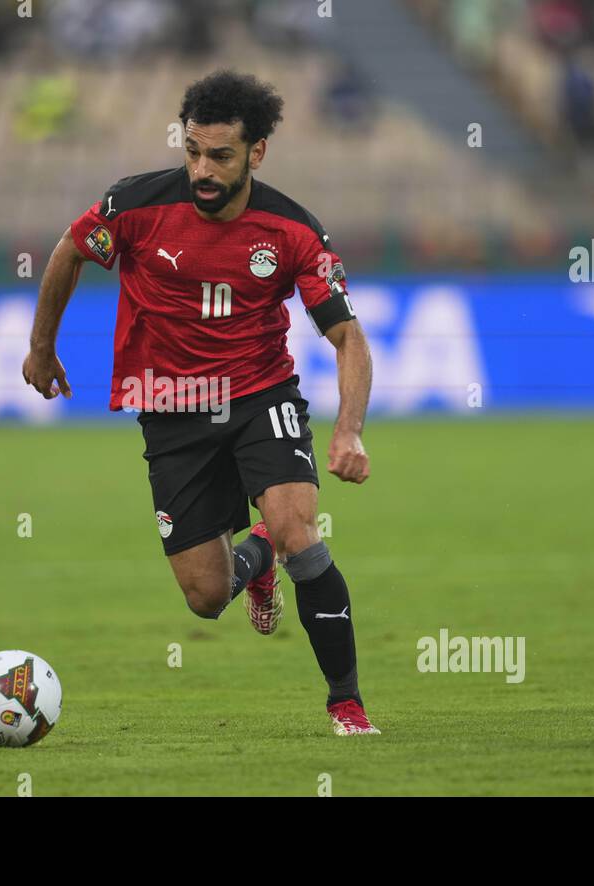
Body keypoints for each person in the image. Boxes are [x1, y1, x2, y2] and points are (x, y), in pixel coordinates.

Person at [21, 71, 379, 735]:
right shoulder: (135, 205)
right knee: (208, 597)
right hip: (170, 405)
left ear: (256, 153)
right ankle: (257, 555)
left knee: (301, 530)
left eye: (219, 156)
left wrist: (349, 431)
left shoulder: (294, 230)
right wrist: (42, 347)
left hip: (259, 394)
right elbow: (70, 251)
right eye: (192, 151)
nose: (201, 169)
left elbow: (348, 338)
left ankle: (346, 705)